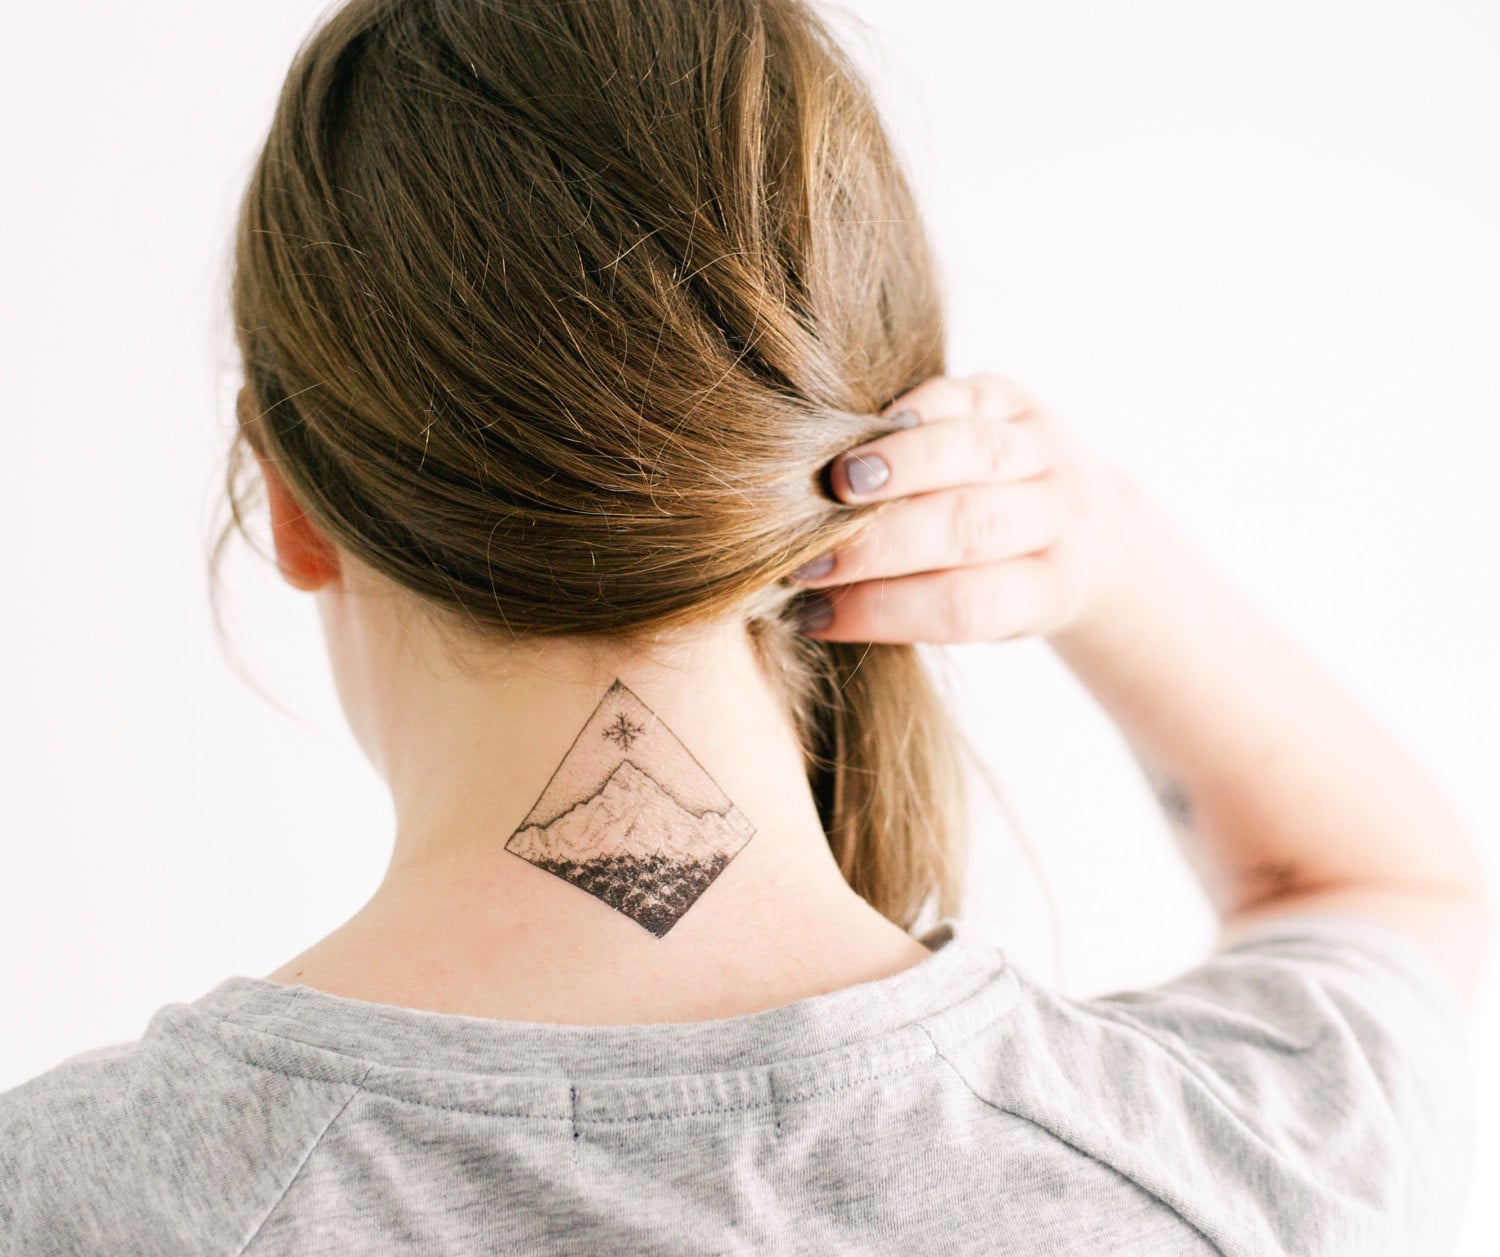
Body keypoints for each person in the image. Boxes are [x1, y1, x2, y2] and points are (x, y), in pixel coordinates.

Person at [1, 0, 1487, 1252]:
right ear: (864, 460)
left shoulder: (65, 1199)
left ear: (291, 502)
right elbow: (1386, 880)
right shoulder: (1232, 1164)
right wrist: (1105, 543)